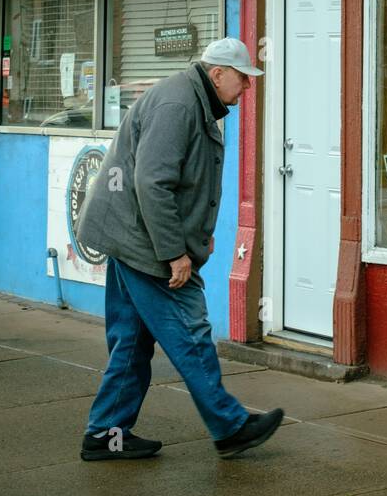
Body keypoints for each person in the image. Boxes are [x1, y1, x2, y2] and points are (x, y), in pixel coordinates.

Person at [75, 37, 284, 461]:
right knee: (190, 333)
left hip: (132, 233)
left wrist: (195, 233)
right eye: (243, 78)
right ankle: (231, 427)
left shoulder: (193, 99)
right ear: (217, 74)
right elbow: (153, 183)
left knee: (132, 341)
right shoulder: (179, 105)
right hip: (143, 241)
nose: (247, 87)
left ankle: (105, 435)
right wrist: (175, 252)